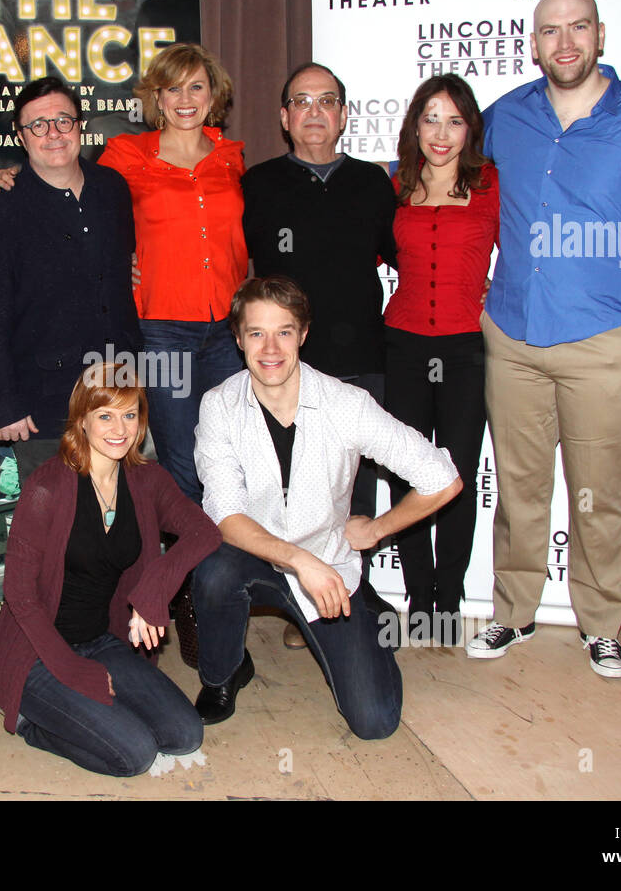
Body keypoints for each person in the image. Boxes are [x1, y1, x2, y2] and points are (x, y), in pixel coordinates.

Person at [467, 0, 621, 677]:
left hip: (606, 343)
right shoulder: (506, 116)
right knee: (519, 488)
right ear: (532, 43)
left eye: (577, 28)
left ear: (599, 35)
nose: (563, 42)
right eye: (549, 31)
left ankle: (601, 622)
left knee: (597, 494)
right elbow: (440, 172)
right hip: (513, 336)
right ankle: (514, 611)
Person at [192, 277, 461, 733]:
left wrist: (377, 530)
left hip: (328, 563)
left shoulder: (346, 403)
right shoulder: (219, 405)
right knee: (212, 571)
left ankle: (368, 610)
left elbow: (443, 480)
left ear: (303, 334)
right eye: (256, 333)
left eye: (284, 331)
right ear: (238, 340)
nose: (271, 347)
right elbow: (225, 516)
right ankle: (225, 673)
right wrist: (297, 559)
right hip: (254, 557)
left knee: (374, 723)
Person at [0, 363, 220, 776]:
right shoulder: (47, 487)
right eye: (105, 415)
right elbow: (19, 594)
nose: (120, 428)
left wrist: (155, 589)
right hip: (38, 652)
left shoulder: (146, 480)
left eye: (130, 415)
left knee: (185, 734)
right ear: (82, 420)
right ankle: (30, 722)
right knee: (134, 754)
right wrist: (73, 670)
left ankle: (89, 712)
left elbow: (205, 533)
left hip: (102, 642)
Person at [241, 60, 400, 651]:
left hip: (362, 358)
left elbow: (406, 251)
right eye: (301, 101)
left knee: (355, 491)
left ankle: (349, 604)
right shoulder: (254, 183)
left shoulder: (372, 184)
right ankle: (304, 598)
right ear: (284, 117)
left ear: (342, 114)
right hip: (287, 369)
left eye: (326, 101)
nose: (314, 112)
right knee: (293, 488)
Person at [0, 76, 141, 484]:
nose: (54, 134)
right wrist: (5, 405)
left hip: (119, 390)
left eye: (64, 121)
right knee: (56, 529)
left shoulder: (112, 188)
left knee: (122, 515)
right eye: (38, 126)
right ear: (21, 137)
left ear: (79, 125)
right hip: (45, 401)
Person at [97, 42, 247, 503]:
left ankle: (231, 567)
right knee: (181, 456)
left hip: (228, 328)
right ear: (157, 99)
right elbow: (80, 209)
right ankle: (190, 570)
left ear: (212, 94)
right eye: (173, 88)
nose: (186, 98)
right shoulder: (127, 155)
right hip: (163, 329)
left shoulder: (231, 157)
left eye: (196, 86)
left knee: (230, 453)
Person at [383, 74, 499, 645]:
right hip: (401, 345)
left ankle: (446, 604)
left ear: (470, 128)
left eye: (455, 120)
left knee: (453, 477)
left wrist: (492, 297)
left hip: (464, 350)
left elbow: (528, 255)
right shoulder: (394, 185)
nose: (442, 132)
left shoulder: (492, 186)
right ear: (415, 125)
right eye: (432, 118)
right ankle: (417, 598)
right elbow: (359, 249)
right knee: (408, 474)